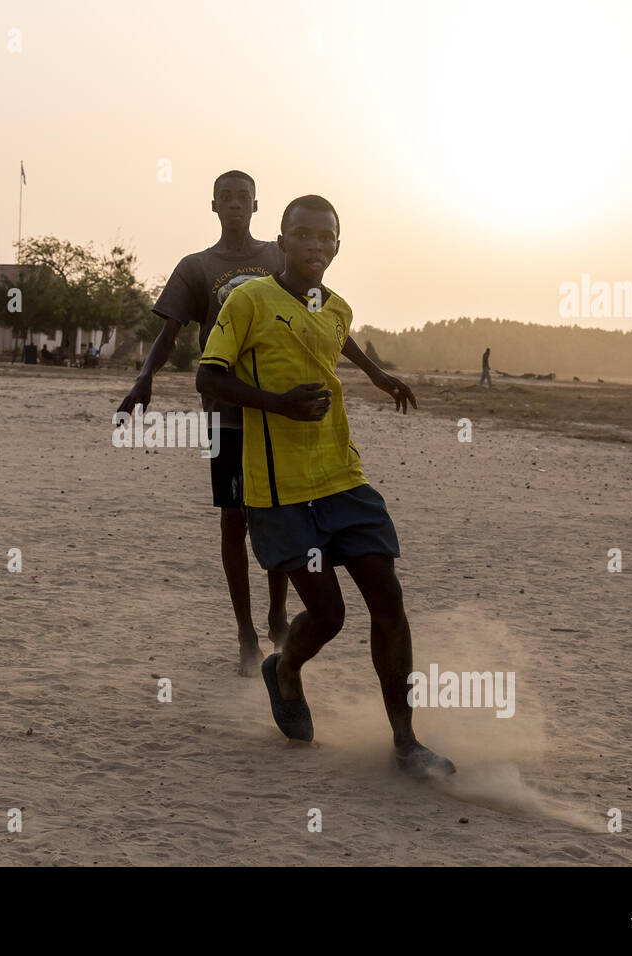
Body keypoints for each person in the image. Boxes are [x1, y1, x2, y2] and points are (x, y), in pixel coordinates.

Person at [117, 171, 415, 677]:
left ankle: (279, 611)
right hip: (229, 415)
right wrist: (144, 378)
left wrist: (376, 374)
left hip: (284, 417)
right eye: (226, 198)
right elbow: (169, 334)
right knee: (235, 518)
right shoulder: (197, 267)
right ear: (213, 205)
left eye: (244, 199)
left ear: (257, 207)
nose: (235, 206)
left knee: (274, 515)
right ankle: (245, 632)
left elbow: (328, 324)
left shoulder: (280, 256)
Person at [196, 194, 453, 779]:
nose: (315, 245)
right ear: (281, 241)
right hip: (279, 489)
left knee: (387, 597)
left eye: (326, 237)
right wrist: (277, 405)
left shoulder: (337, 306)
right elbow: (206, 375)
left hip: (342, 476)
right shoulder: (249, 299)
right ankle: (284, 669)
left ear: (338, 245)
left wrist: (376, 373)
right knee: (330, 616)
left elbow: (334, 334)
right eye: (304, 235)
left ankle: (407, 742)